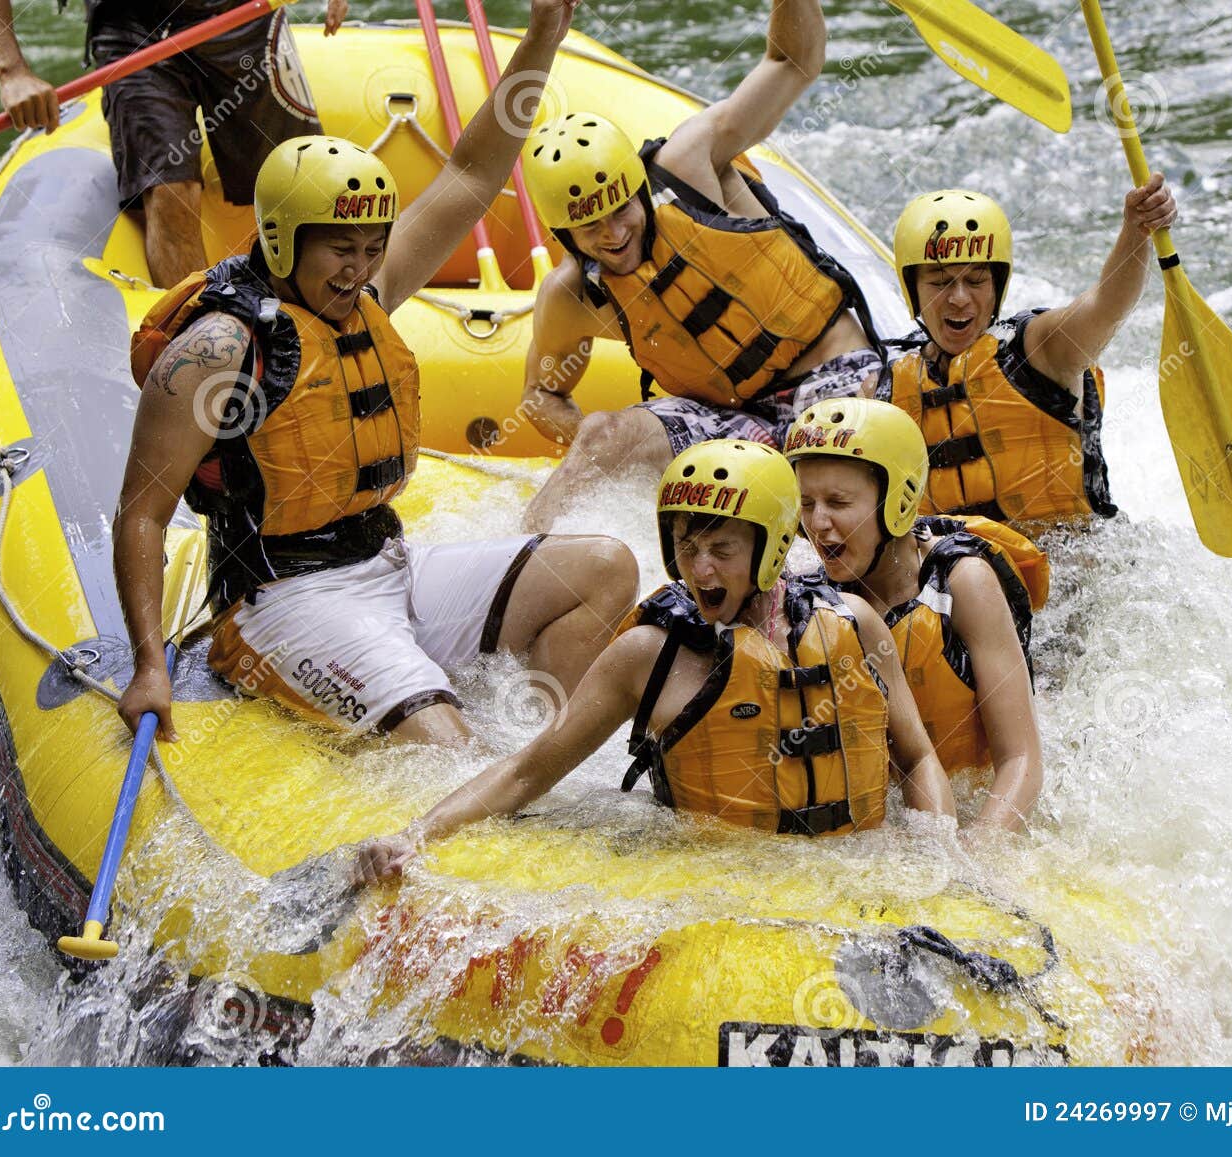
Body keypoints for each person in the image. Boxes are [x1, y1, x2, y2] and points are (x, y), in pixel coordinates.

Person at [113, 0, 635, 747]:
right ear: (282, 240)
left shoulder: (363, 296)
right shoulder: (218, 349)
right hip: (281, 602)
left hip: (389, 566)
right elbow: (141, 513)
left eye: (371, 248)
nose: (360, 270)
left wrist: (546, 31)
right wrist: (148, 668)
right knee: (445, 747)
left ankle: (529, 753)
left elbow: (471, 173)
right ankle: (468, 758)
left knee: (606, 570)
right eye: (341, 251)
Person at [354, 439, 958, 881]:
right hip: (716, 886)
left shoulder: (854, 622)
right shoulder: (649, 655)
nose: (700, 570)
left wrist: (938, 865)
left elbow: (919, 756)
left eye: (722, 549)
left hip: (854, 878)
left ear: (774, 545)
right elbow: (527, 772)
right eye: (687, 548)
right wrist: (416, 836)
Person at [513, 0, 884, 533]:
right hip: (730, 423)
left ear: (639, 187)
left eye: (622, 210)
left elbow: (794, 62)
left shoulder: (691, 168)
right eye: (590, 228)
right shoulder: (572, 297)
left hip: (831, 377)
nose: (614, 234)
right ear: (563, 235)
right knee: (603, 437)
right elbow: (540, 395)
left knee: (829, 488)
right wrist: (619, 467)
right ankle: (524, 567)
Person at [784, 397, 1045, 833]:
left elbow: (1021, 761)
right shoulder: (811, 593)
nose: (819, 523)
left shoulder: (965, 584)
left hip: (974, 799)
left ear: (898, 502)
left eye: (838, 502)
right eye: (806, 504)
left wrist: (977, 855)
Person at [0, 0, 351, 287]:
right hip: (134, 26)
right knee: (170, 191)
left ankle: (317, 332)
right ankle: (204, 344)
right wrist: (11, 70)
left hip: (246, 14)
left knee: (298, 183)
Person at [878, 178, 1178, 527]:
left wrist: (1136, 231)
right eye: (941, 282)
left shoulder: (1041, 351)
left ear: (997, 285)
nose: (959, 298)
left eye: (976, 281)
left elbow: (1106, 306)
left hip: (1072, 571)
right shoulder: (883, 394)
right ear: (911, 289)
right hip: (956, 573)